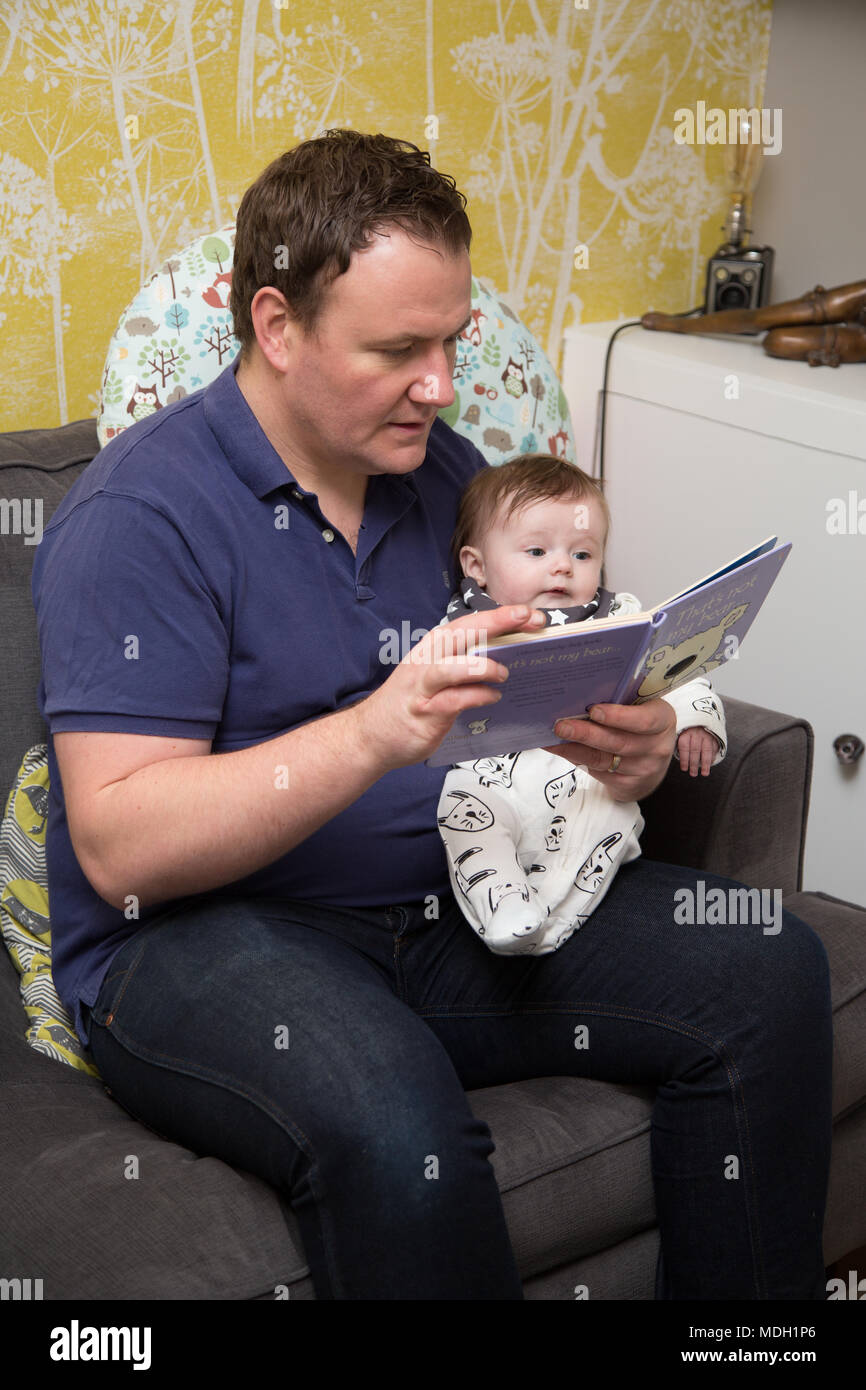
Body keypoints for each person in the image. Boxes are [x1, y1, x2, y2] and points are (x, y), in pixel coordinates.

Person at [32, 129, 832, 1301]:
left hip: (453, 894)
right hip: (203, 938)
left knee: (766, 966)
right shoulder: (140, 515)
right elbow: (119, 844)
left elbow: (546, 676)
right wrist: (370, 732)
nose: (441, 386)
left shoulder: (437, 471)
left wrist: (637, 736)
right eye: (397, 349)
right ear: (274, 324)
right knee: (393, 1115)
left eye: (451, 341)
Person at [436, 453, 727, 955]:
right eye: (535, 551)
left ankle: (557, 919)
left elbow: (678, 673)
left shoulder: (619, 619)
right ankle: (503, 902)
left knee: (607, 815)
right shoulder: (462, 630)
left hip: (584, 781)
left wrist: (694, 720)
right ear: (476, 567)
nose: (561, 566)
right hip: (491, 781)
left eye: (583, 554)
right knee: (462, 811)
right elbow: (426, 698)